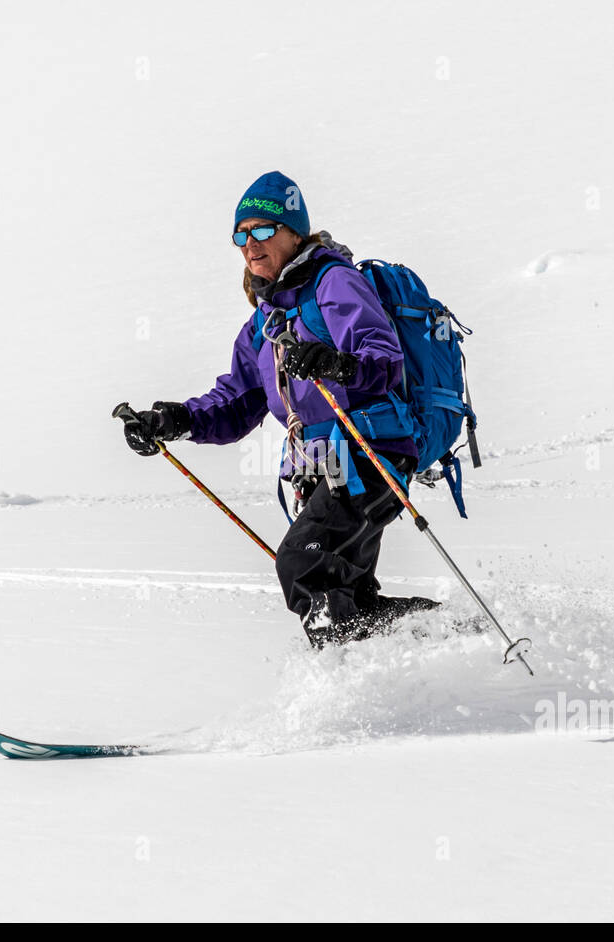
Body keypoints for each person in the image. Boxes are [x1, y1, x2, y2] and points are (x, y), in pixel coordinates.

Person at [119, 170, 437, 646]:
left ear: (294, 233)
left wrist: (336, 363)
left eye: (263, 230)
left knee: (302, 563)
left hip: (373, 456)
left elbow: (384, 360)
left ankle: (347, 686)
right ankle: (444, 638)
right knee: (348, 594)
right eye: (240, 234)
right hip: (324, 471)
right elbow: (236, 402)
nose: (250, 243)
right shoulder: (263, 325)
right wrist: (173, 421)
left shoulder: (334, 283)